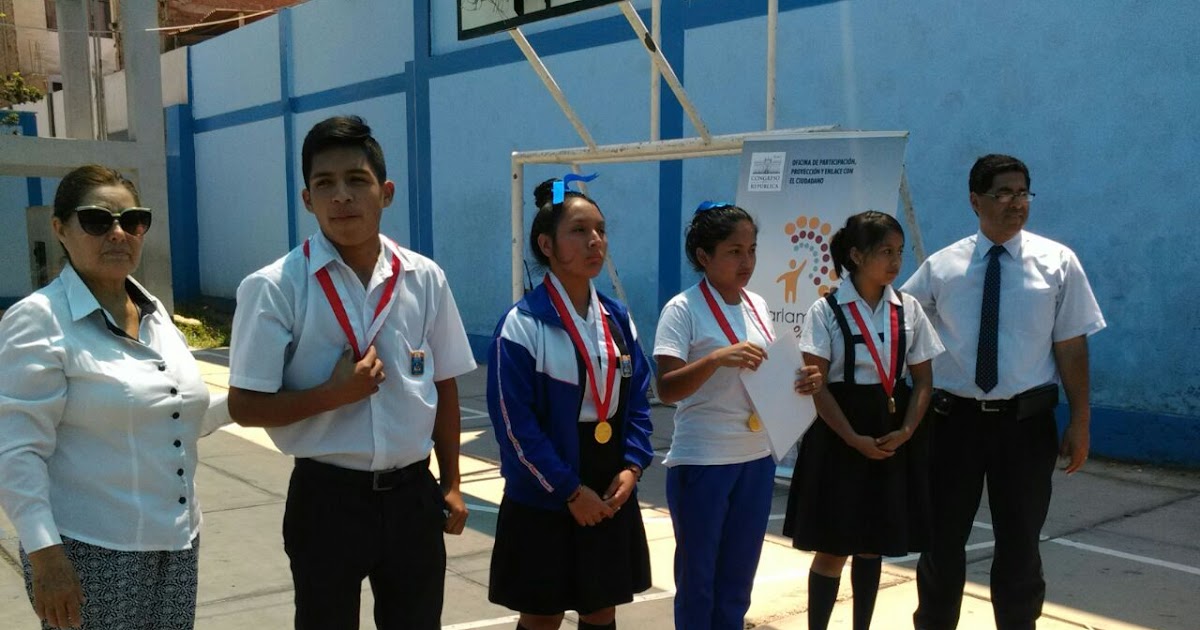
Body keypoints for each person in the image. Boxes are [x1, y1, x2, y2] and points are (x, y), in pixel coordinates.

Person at [226, 115, 477, 630]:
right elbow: (244, 406)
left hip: (412, 495)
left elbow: (444, 382)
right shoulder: (275, 287)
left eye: (356, 180)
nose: (341, 196)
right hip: (327, 499)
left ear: (386, 192)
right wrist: (334, 394)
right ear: (307, 199)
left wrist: (451, 481)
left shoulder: (424, 277)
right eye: (325, 183)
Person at [0, 165, 210, 629]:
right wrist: (45, 555)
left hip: (176, 544)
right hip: (89, 551)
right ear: (60, 229)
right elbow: (16, 451)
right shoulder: (39, 319)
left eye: (133, 221)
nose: (118, 233)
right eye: (97, 220)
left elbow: (176, 412)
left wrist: (277, 395)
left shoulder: (155, 313)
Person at [902, 154, 1105, 630]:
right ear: (976, 201)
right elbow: (902, 328)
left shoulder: (1058, 263)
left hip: (1025, 427)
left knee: (1020, 545)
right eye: (1004, 193)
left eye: (1023, 193)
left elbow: (1071, 347)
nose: (1017, 203)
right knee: (941, 541)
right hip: (952, 425)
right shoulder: (941, 267)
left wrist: (1080, 421)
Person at [486, 176, 654, 630]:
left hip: (609, 486)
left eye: (600, 229)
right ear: (546, 244)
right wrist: (570, 492)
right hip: (547, 491)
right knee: (543, 616)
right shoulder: (522, 325)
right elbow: (515, 427)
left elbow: (638, 400)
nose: (595, 240)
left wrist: (632, 466)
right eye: (579, 231)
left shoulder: (617, 319)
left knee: (601, 610)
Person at [653, 202, 822, 630]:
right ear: (703, 256)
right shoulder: (682, 309)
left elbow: (764, 373)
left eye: (751, 250)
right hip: (704, 459)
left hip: (756, 457)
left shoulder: (757, 304)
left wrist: (801, 379)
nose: (746, 261)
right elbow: (666, 388)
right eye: (733, 251)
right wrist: (715, 359)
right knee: (699, 581)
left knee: (738, 581)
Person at [781, 211, 944, 630]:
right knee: (834, 545)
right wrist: (853, 438)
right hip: (840, 433)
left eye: (900, 252)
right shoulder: (826, 310)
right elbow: (818, 385)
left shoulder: (908, 308)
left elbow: (924, 381)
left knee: (874, 544)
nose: (896, 262)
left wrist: (906, 431)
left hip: (892, 431)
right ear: (856, 255)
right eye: (885, 252)